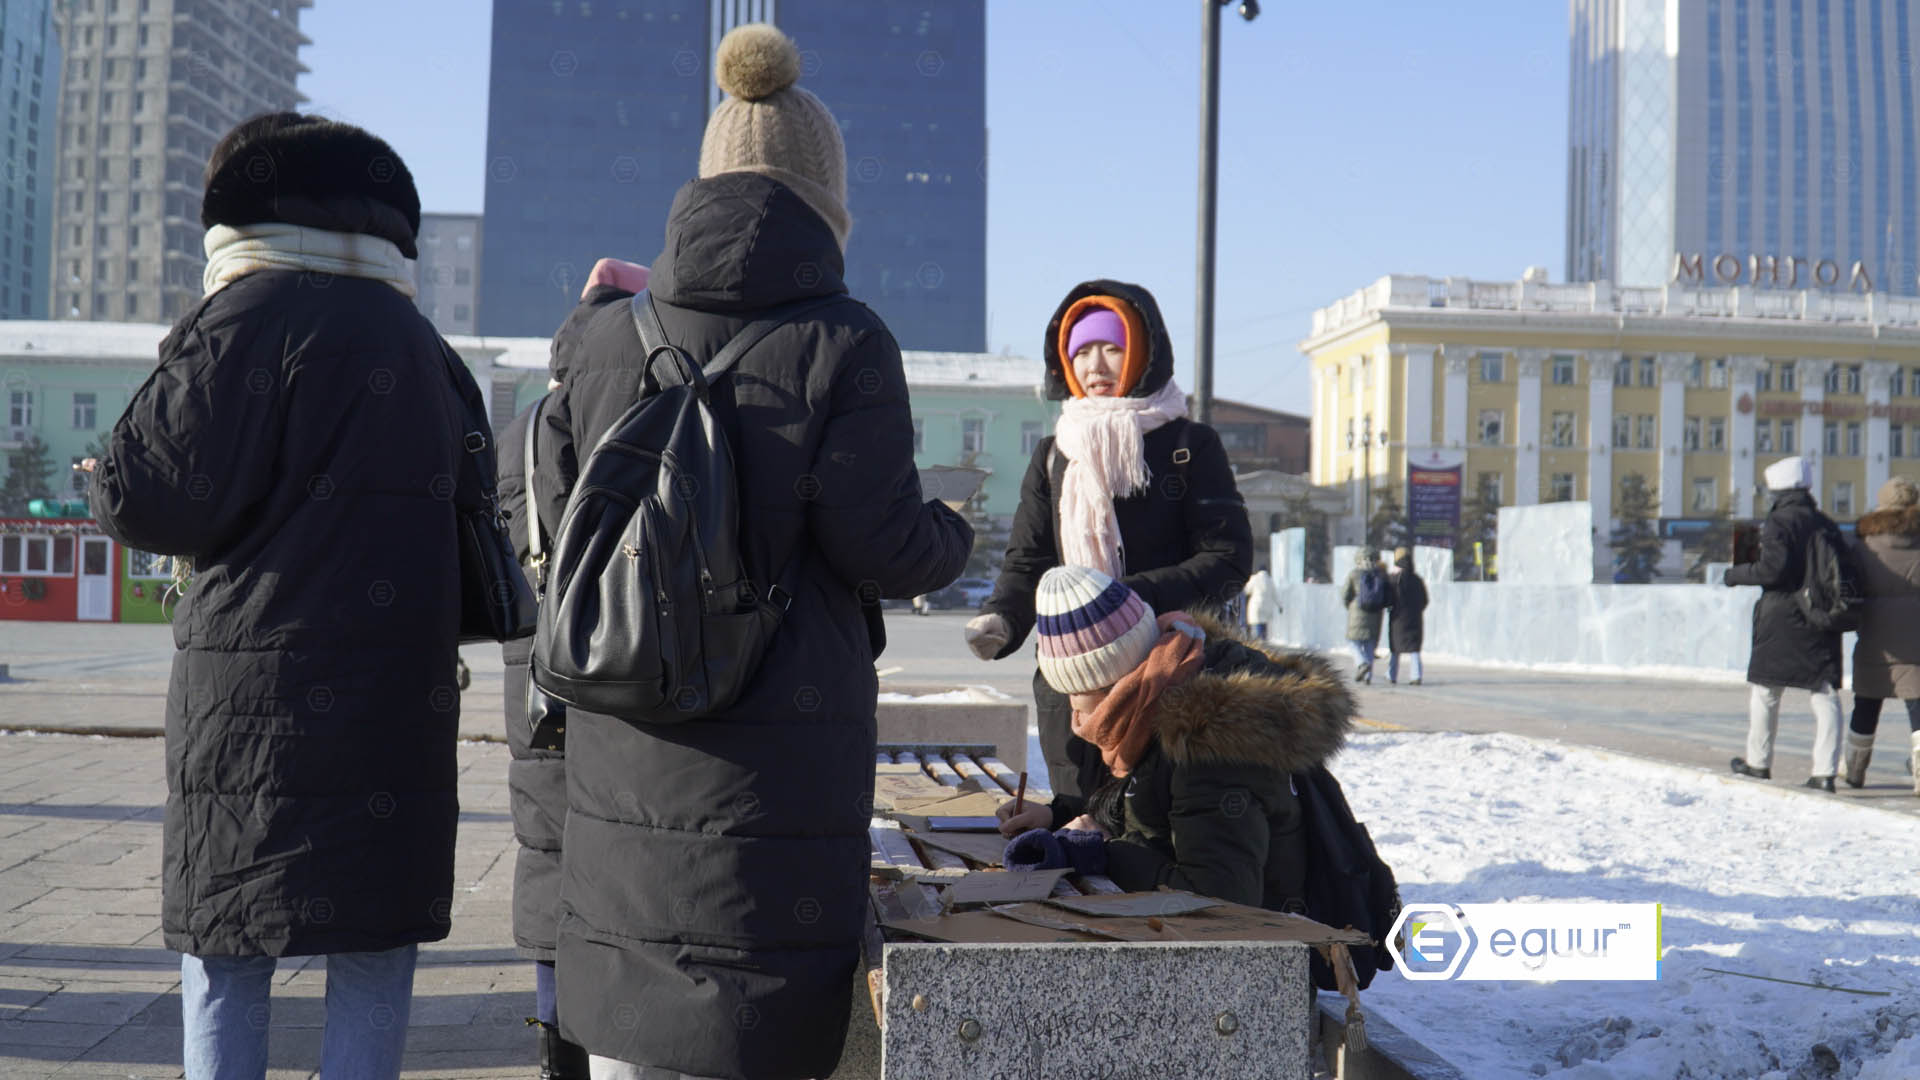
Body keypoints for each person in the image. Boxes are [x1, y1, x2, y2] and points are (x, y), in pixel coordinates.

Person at [530, 24, 972, 1080]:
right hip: (774, 770)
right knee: (747, 1025)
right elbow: (885, 544)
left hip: (619, 741)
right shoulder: (846, 341)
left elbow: (545, 512)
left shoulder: (596, 335)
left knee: (638, 1018)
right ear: (828, 206)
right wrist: (953, 531)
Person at [85, 114, 464, 1079]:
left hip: (248, 704)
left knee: (228, 950)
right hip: (394, 698)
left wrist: (103, 467)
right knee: (376, 953)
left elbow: (154, 496)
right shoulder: (421, 342)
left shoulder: (241, 316)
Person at [964, 279, 1253, 832]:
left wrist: (1124, 603)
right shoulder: (1055, 453)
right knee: (1079, 818)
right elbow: (1029, 558)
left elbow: (1228, 557)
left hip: (1168, 667)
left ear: (1143, 352)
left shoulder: (1191, 444)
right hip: (1071, 671)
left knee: (1147, 825)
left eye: (1111, 347)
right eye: (1080, 350)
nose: (1095, 363)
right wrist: (1003, 616)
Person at [996, 565, 1354, 915]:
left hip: (1264, 957)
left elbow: (1220, 898)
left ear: (1111, 683)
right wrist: (1057, 814)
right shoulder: (1158, 699)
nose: (1074, 714)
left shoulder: (1206, 740)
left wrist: (1104, 852)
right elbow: (1149, 814)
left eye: (1075, 693)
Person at [1725, 456, 1845, 791]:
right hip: (1820, 615)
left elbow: (1772, 571)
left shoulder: (1779, 522)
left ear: (1777, 490)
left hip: (1782, 614)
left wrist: (1735, 574)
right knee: (1824, 693)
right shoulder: (1824, 522)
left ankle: (1758, 763)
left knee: (1766, 690)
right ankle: (1824, 773)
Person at [1843, 476, 1920, 795]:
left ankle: (1855, 770)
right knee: (1917, 706)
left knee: (1866, 703)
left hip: (1875, 635)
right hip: (1916, 636)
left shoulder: (1864, 544)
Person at [1340, 547, 1388, 684]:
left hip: (1357, 612)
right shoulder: (1381, 574)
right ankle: (1368, 676)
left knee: (1352, 642)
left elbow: (1345, 594)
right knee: (1369, 645)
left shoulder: (1354, 574)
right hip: (1376, 614)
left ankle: (1362, 664)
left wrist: (1349, 606)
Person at [1386, 547, 1428, 686]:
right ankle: (1416, 676)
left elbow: (1388, 598)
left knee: (1395, 649)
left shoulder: (1394, 579)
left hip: (1397, 619)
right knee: (1414, 649)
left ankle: (1391, 675)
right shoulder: (1417, 580)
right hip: (1415, 619)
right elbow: (1424, 600)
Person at [1242, 565, 1281, 640]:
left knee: (1258, 622)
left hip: (1256, 604)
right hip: (1267, 605)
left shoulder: (1254, 578)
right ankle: (1263, 638)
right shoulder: (1270, 580)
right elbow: (1275, 595)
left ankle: (1259, 639)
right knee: (1264, 623)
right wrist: (1280, 606)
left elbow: (1246, 590)